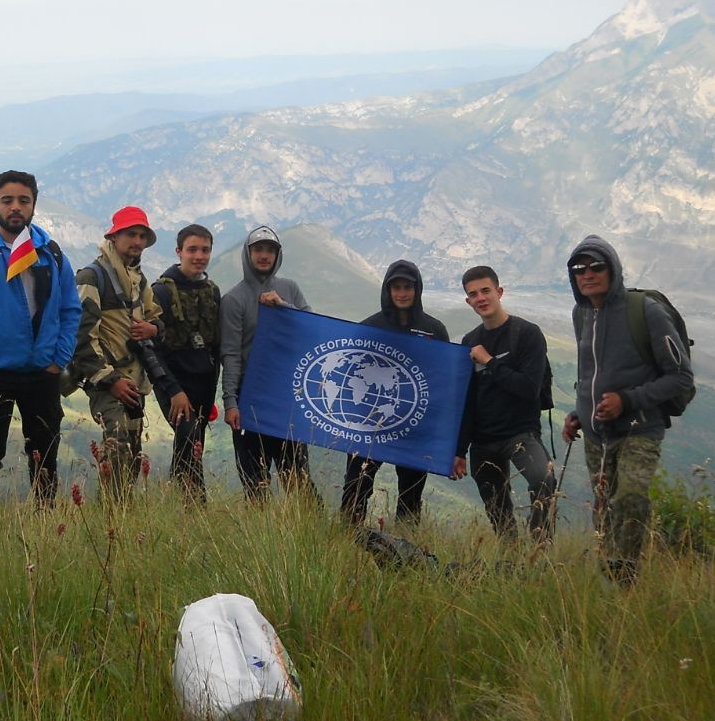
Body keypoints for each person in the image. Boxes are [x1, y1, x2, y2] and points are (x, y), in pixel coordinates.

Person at [562, 236, 694, 583]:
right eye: (579, 269)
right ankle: (609, 579)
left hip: (640, 427)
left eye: (596, 266)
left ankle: (626, 576)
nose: (587, 274)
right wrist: (579, 412)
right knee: (603, 506)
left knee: (631, 497)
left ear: (613, 268)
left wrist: (628, 400)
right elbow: (589, 374)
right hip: (596, 434)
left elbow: (680, 376)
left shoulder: (645, 311)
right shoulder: (581, 314)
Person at [0, 170, 81, 505]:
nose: (16, 207)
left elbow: (70, 309)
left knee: (45, 457)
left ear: (34, 205)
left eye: (24, 200)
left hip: (42, 374)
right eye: (7, 200)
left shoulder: (52, 254)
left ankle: (45, 526)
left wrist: (58, 360)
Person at [73, 207, 191, 498]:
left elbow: (156, 319)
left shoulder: (138, 279)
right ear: (113, 236)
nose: (137, 241)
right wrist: (109, 379)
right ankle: (110, 522)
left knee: (132, 456)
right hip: (108, 382)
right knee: (117, 453)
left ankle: (120, 520)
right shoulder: (92, 276)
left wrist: (154, 330)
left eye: (142, 236)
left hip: (135, 382)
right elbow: (81, 337)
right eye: (130, 234)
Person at [339, 260, 449, 525]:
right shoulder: (368, 327)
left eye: (408, 287)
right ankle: (345, 541)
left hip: (414, 425)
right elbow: (351, 374)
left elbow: (444, 379)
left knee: (411, 494)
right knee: (356, 487)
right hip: (369, 424)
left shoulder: (435, 330)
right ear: (387, 290)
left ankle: (406, 551)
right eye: (396, 287)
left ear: (417, 289)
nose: (402, 293)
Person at [452, 265, 556, 542]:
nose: (481, 298)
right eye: (473, 294)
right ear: (468, 301)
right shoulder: (470, 341)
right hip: (483, 440)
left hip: (520, 433)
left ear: (499, 292)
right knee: (498, 511)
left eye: (486, 291)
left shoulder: (527, 334)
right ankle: (509, 562)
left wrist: (489, 362)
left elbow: (528, 389)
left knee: (543, 480)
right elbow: (467, 401)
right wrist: (459, 449)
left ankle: (540, 550)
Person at [220, 225, 318, 504]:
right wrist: (230, 402)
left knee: (298, 479)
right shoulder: (233, 300)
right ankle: (260, 538)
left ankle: (312, 532)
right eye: (258, 249)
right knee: (255, 483)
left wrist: (284, 306)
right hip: (249, 400)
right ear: (247, 254)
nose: (264, 255)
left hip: (286, 400)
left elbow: (310, 330)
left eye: (270, 250)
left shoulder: (291, 289)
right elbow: (231, 354)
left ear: (278, 255)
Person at [152, 224, 221, 504]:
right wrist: (173, 391)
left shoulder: (211, 291)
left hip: (204, 384)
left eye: (205, 250)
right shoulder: (162, 292)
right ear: (179, 251)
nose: (199, 256)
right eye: (192, 249)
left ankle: (178, 508)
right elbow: (152, 351)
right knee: (190, 438)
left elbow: (215, 345)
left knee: (192, 446)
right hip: (175, 384)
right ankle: (197, 508)